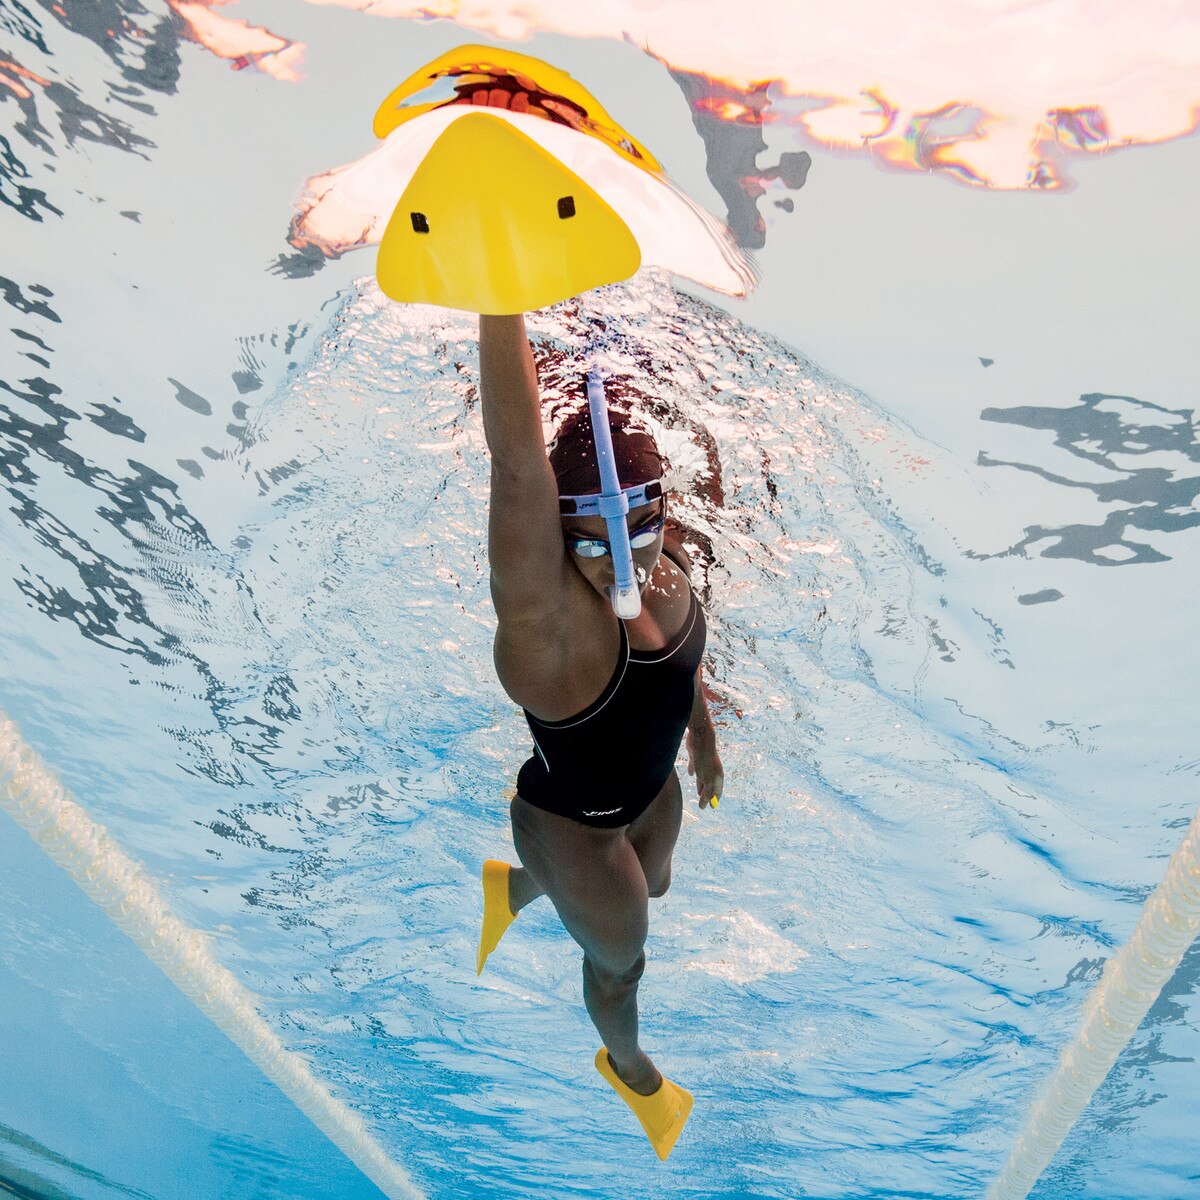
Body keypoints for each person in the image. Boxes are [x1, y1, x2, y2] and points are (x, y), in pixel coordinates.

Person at [474, 313, 724, 1159]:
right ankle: (630, 1069)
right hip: (572, 829)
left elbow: (677, 668)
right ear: (555, 532)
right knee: (623, 959)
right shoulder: (545, 628)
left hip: (650, 783)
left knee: (652, 887)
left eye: (635, 530)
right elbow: (516, 465)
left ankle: (507, 893)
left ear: (659, 509)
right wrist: (497, 298)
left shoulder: (666, 560)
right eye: (583, 538)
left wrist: (705, 740)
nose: (615, 559)